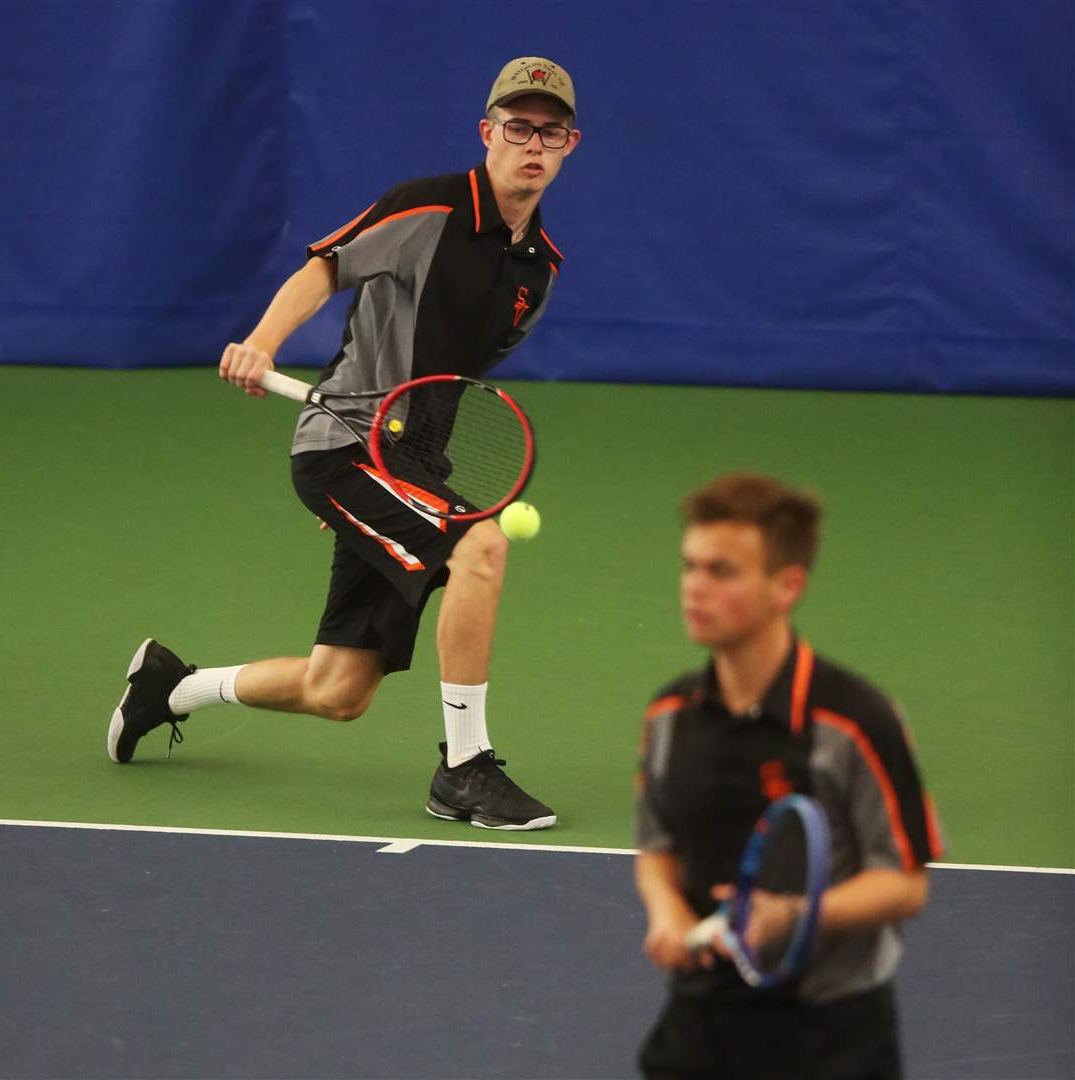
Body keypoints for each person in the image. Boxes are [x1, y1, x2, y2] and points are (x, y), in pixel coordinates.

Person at [107, 57, 582, 831]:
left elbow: (459, 373)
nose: (533, 143)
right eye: (519, 127)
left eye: (550, 131)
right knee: (481, 546)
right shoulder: (426, 208)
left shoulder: (540, 272)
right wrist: (262, 343)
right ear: (487, 132)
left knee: (340, 692)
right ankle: (463, 769)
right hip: (345, 448)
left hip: (413, 466)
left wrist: (392, 490)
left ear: (569, 145)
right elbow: (325, 268)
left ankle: (173, 687)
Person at [634, 474, 943, 1078]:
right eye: (689, 566)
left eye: (722, 572)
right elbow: (656, 847)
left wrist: (798, 915)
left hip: (827, 1037)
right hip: (701, 1022)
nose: (695, 588)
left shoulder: (855, 721)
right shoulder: (669, 715)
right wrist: (666, 912)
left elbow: (905, 883)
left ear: (787, 586)